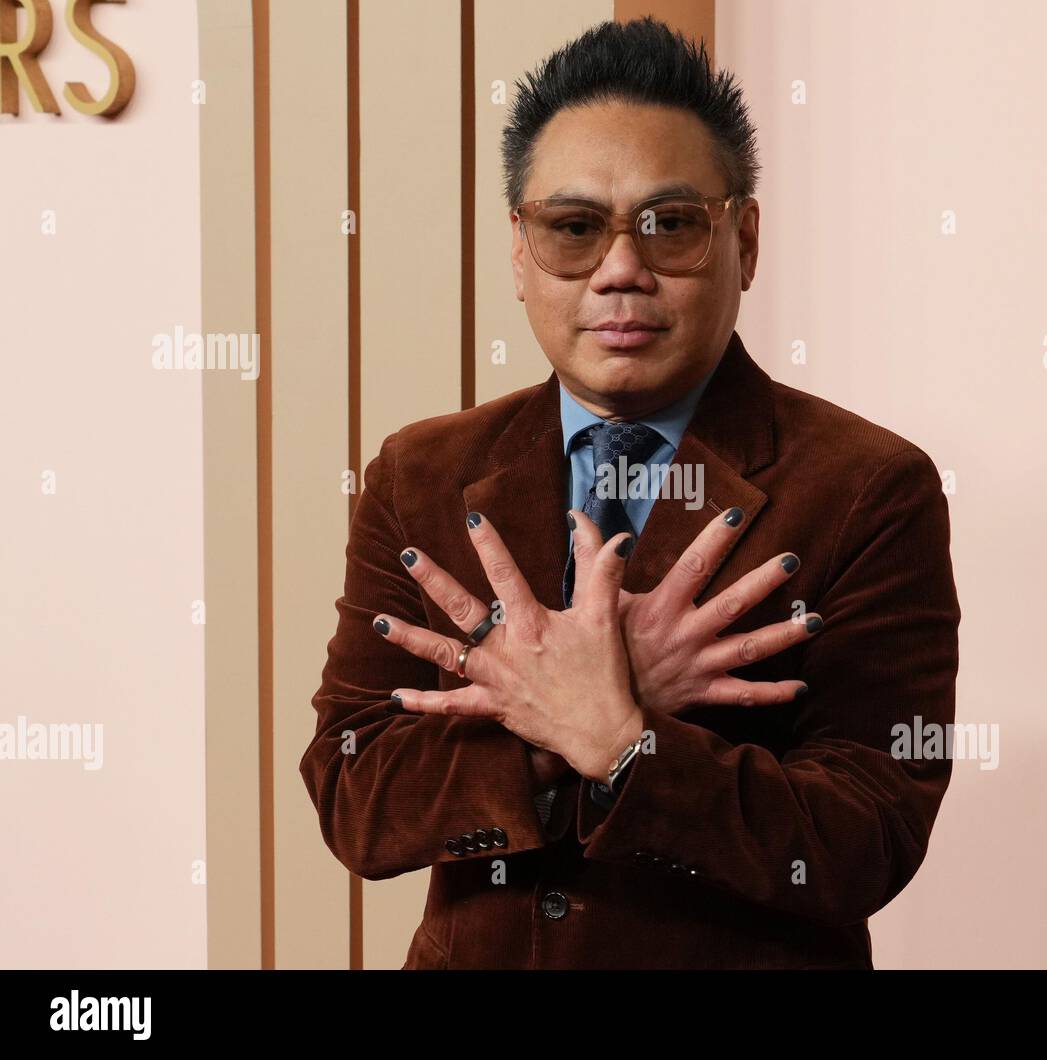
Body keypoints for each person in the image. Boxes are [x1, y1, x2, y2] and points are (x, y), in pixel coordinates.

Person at [299, 15, 960, 970]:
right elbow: (351, 795)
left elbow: (869, 840)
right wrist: (562, 720)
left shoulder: (869, 486)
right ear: (520, 253)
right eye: (575, 230)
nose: (621, 270)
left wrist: (624, 742)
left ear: (745, 241)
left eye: (672, 226)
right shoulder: (422, 473)